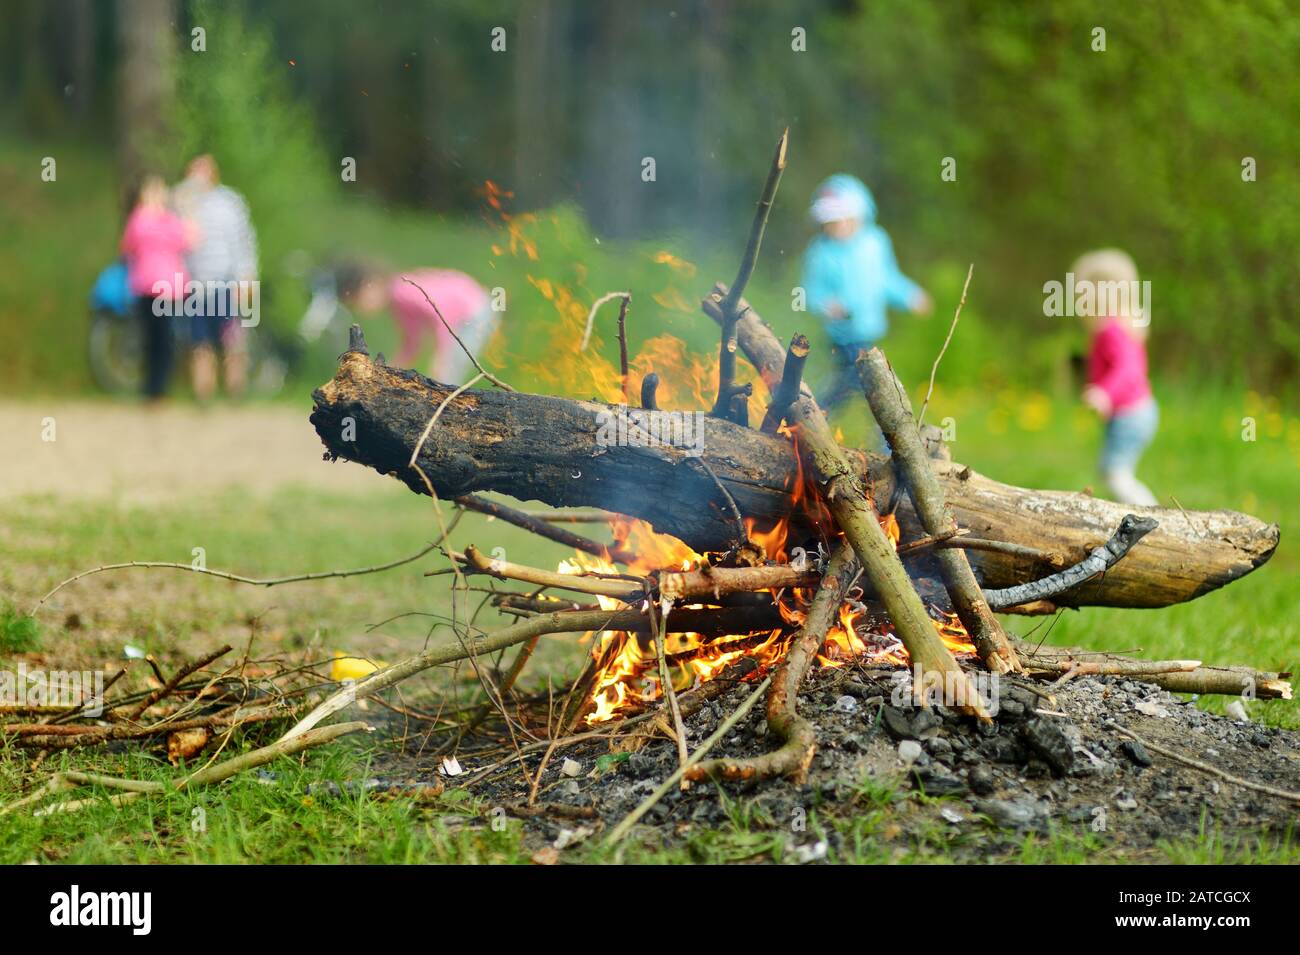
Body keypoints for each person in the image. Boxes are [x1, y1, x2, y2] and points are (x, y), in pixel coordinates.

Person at [802, 174, 932, 413]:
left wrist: (910, 295)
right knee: (873, 388)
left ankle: (812, 416)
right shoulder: (821, 251)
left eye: (844, 220)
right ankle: (813, 419)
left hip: (869, 331)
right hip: (844, 336)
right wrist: (826, 304)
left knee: (851, 388)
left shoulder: (875, 243)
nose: (838, 227)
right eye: (832, 222)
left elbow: (887, 279)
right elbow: (811, 291)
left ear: (860, 216)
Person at [1075, 249, 1159, 507]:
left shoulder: (1111, 330)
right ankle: (1137, 517)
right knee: (1112, 471)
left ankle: (1153, 516)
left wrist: (1104, 393)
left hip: (1130, 415)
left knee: (1116, 473)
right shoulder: (1120, 327)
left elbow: (1128, 369)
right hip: (1135, 412)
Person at [171, 154, 259, 402]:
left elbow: (244, 242)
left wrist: (246, 277)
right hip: (195, 285)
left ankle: (236, 391)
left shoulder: (230, 202)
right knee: (200, 342)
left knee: (232, 339)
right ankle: (204, 394)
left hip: (225, 283)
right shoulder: (182, 203)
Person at [338, 264, 496, 384]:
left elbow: (440, 315)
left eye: (359, 301)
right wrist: (387, 370)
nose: (361, 309)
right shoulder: (397, 305)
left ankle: (445, 413)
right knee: (447, 370)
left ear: (372, 284)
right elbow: (412, 343)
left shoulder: (401, 291)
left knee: (449, 368)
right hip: (467, 312)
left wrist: (441, 356)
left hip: (474, 309)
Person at [119, 175, 192, 402]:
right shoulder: (142, 220)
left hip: (168, 289)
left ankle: (159, 388)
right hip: (146, 287)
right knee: (150, 338)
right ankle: (151, 387)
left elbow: (189, 241)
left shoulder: (167, 220)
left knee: (164, 339)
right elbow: (129, 246)